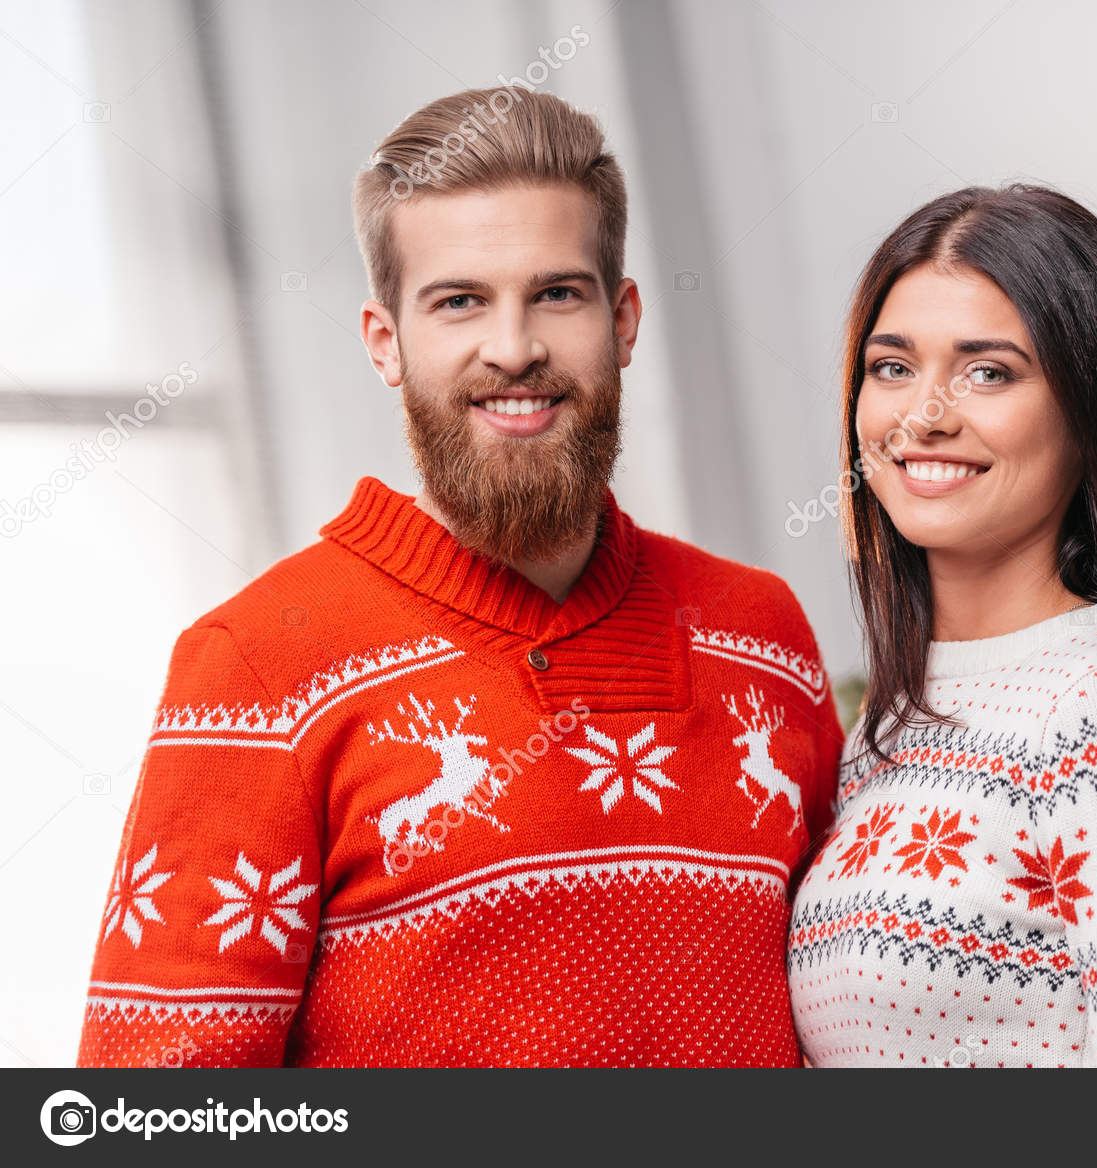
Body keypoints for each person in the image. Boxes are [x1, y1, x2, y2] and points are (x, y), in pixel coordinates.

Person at [75, 87, 842, 1067]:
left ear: (625, 320)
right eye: (459, 301)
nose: (513, 348)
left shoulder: (763, 635)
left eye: (556, 294)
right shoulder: (256, 668)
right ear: (386, 342)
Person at [787, 184, 1097, 1067]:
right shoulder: (888, 725)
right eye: (892, 367)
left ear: (1091, 415)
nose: (923, 416)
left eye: (990, 372)